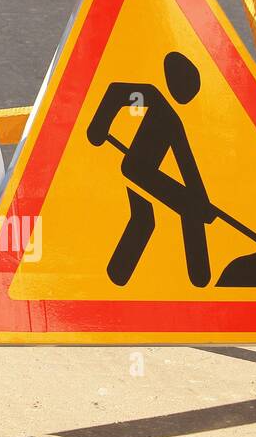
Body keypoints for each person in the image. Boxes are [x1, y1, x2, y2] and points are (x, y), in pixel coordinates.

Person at [85, 51, 214, 286]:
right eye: (187, 88)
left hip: (144, 173)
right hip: (137, 169)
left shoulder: (175, 121)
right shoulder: (153, 97)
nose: (189, 95)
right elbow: (115, 92)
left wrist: (203, 201)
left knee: (145, 219)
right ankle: (200, 276)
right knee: (182, 209)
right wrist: (98, 126)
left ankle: (117, 277)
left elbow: (188, 166)